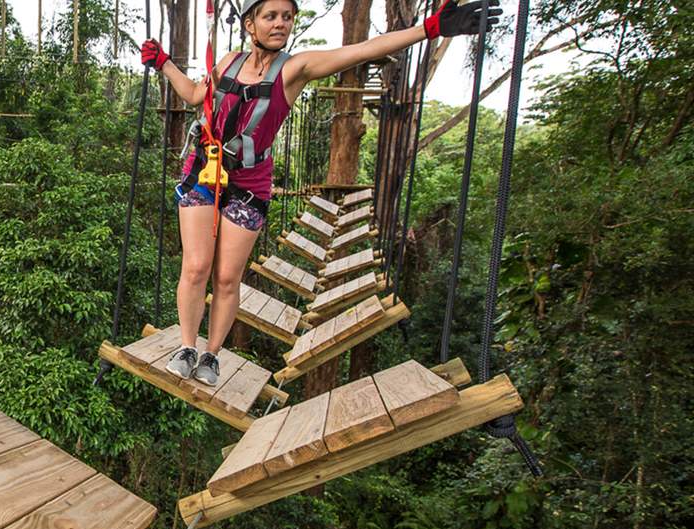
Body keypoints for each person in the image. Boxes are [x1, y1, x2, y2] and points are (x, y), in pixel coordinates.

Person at [141, 0, 500, 385]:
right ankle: (187, 345)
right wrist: (163, 62)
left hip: (249, 182)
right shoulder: (228, 61)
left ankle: (211, 354)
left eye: (287, 17)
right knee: (196, 267)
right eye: (270, 16)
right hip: (204, 170)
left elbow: (361, 51)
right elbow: (197, 96)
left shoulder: (296, 69)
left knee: (228, 278)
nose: (280, 24)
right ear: (250, 23)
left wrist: (428, 29)